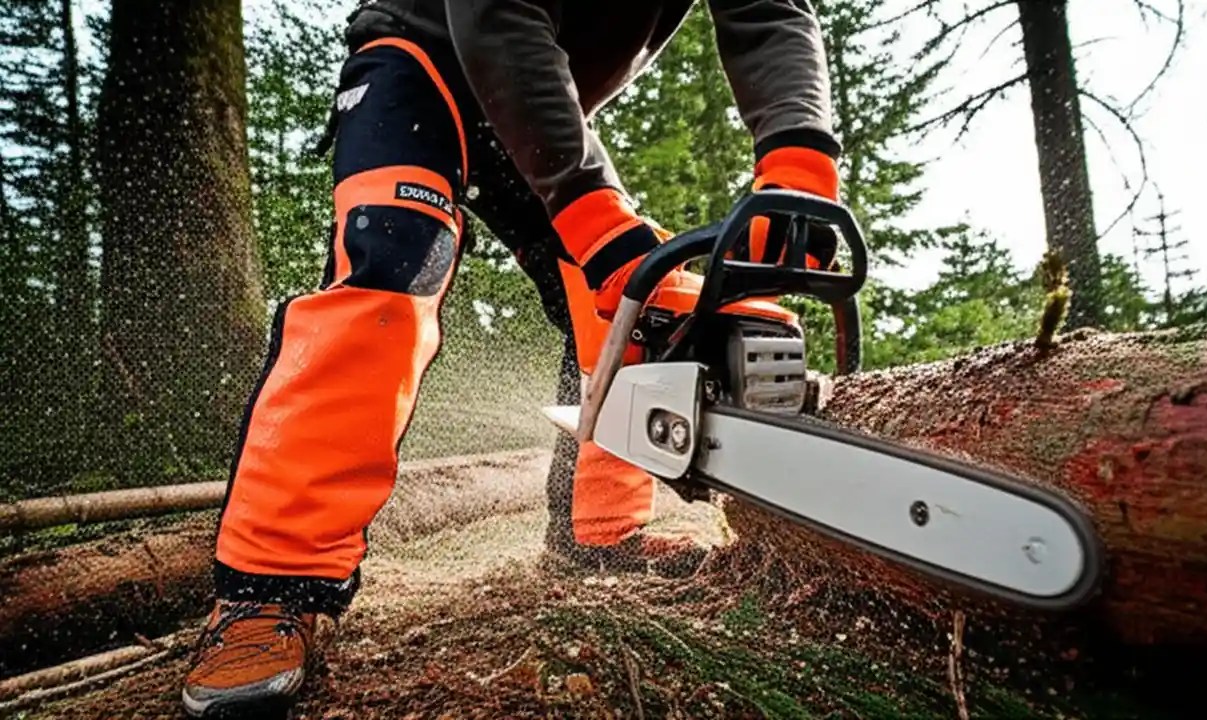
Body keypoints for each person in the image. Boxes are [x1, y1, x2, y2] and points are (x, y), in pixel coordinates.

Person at [179, 0, 843, 716]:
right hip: (423, 58)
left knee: (633, 296)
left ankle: (601, 535)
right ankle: (270, 589)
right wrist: (588, 214)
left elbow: (771, 12)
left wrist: (799, 164)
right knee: (391, 271)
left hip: (540, 100)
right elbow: (495, 19)